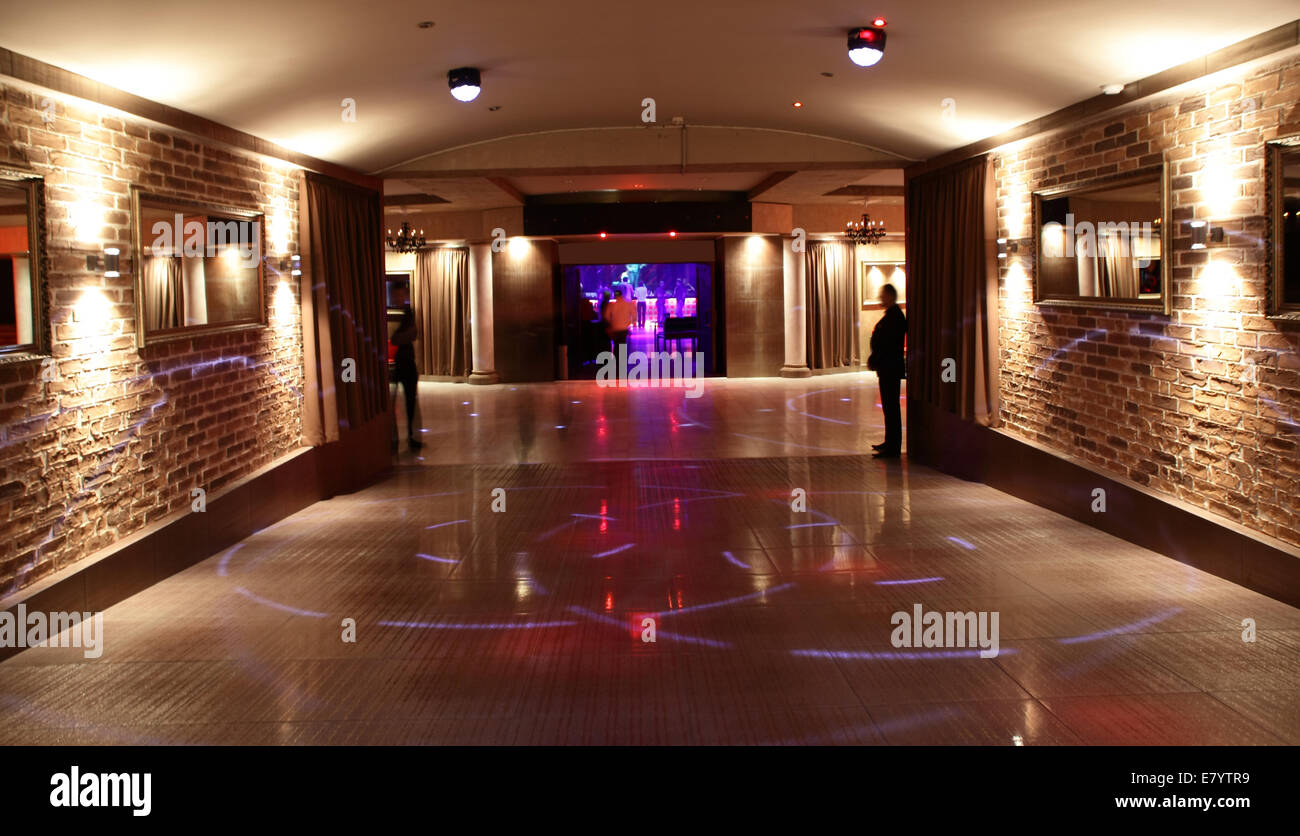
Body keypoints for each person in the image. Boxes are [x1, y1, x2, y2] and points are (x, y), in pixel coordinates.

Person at [867, 283, 906, 459]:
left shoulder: (895, 317)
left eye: (883, 295)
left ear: (890, 296)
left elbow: (888, 343)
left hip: (890, 368)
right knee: (888, 407)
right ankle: (889, 442)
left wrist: (876, 358)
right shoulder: (891, 315)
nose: (880, 298)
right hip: (886, 367)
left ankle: (893, 446)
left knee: (891, 408)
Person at [389, 287, 423, 450]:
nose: (396, 298)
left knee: (410, 403)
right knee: (404, 403)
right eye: (395, 295)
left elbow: (403, 337)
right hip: (401, 365)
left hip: (407, 365)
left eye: (399, 294)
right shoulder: (404, 315)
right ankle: (403, 438)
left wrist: (397, 338)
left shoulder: (408, 314)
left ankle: (410, 437)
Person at [603, 288, 637, 372]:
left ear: (615, 296)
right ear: (622, 295)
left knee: (616, 346)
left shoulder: (612, 305)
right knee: (623, 346)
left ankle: (616, 365)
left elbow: (606, 316)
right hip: (624, 329)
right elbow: (634, 316)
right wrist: (630, 323)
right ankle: (622, 366)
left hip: (615, 328)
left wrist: (612, 323)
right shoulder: (628, 304)